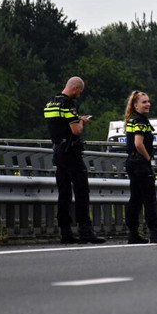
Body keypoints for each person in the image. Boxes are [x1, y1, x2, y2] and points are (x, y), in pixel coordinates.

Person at [43, 76, 105, 244]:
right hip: (71, 152)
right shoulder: (68, 104)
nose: (80, 95)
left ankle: (65, 232)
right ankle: (85, 230)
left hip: (58, 151)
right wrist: (82, 121)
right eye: (80, 92)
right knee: (81, 191)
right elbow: (76, 130)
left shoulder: (50, 104)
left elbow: (59, 126)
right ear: (76, 88)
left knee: (64, 193)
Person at [121, 92, 157, 244]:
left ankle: (133, 233)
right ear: (135, 105)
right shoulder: (140, 121)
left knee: (136, 199)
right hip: (140, 163)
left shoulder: (131, 120)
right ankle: (154, 232)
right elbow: (138, 143)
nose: (148, 104)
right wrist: (148, 157)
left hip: (132, 162)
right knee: (149, 199)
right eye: (144, 102)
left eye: (149, 101)